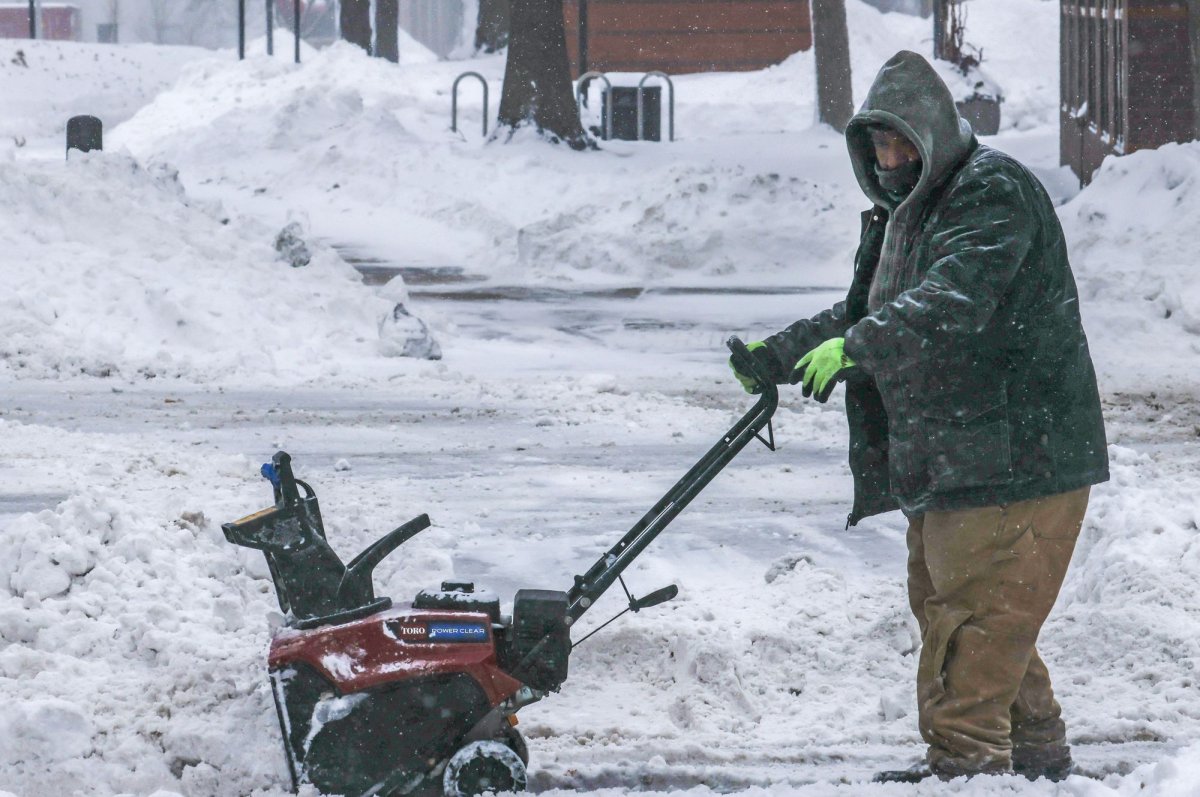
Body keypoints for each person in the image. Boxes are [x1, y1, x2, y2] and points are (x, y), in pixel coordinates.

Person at [730, 51, 1109, 782]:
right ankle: (1033, 756)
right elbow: (861, 314)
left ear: (937, 134)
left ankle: (967, 768)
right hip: (956, 458)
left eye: (907, 143)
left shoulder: (992, 193)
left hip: (1017, 458)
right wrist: (775, 355)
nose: (894, 158)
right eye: (881, 145)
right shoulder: (906, 213)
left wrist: (859, 346)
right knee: (967, 614)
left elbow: (954, 299)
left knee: (971, 624)